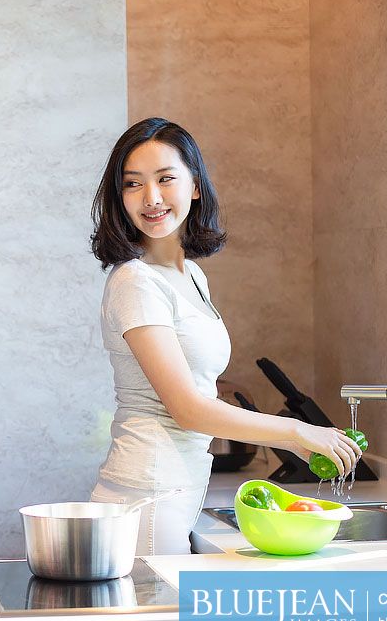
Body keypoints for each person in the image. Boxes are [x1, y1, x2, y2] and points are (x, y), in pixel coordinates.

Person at [89, 117, 361, 554]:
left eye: (165, 179)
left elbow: (195, 385)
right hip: (147, 493)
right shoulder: (135, 281)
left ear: (194, 185)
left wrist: (295, 439)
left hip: (179, 486)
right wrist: (296, 432)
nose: (151, 198)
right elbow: (188, 409)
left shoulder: (190, 275)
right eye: (133, 184)